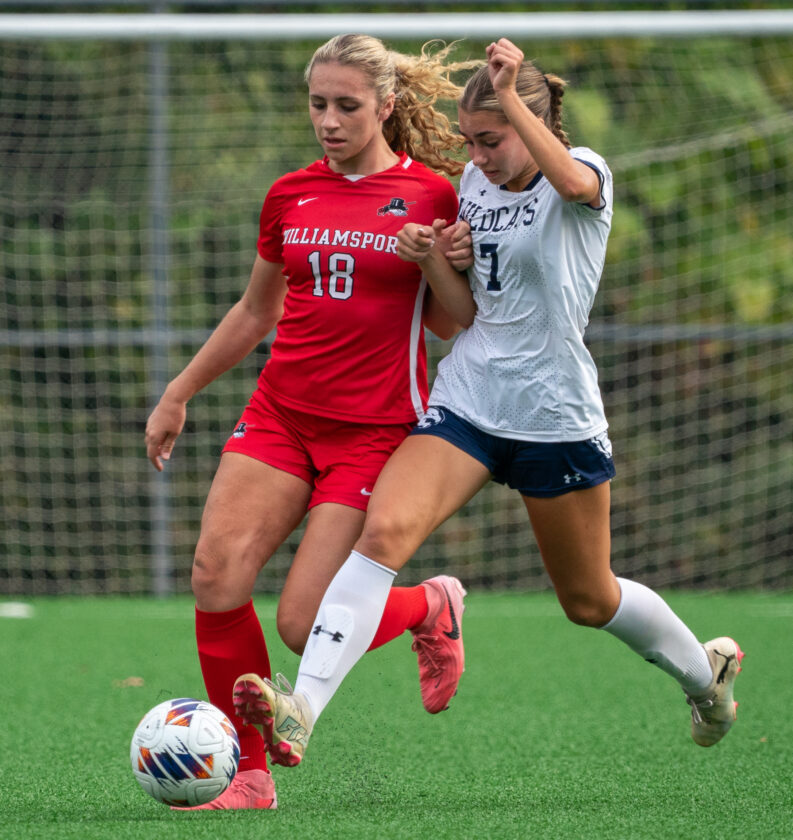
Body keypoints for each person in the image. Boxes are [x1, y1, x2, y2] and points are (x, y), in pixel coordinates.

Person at [233, 38, 744, 770]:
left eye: (492, 139)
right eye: (470, 142)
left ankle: (706, 676)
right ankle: (303, 709)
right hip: (467, 401)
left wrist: (509, 99)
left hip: (551, 414)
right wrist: (433, 261)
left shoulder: (586, 171)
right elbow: (464, 313)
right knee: (382, 535)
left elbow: (568, 185)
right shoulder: (470, 186)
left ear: (528, 120)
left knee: (588, 601)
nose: (478, 157)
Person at [144, 33, 480, 810]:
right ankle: (250, 773)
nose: (328, 120)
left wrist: (435, 258)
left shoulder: (433, 196)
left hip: (373, 431)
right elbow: (257, 310)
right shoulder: (289, 194)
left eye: (346, 106)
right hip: (280, 414)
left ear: (386, 106)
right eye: (317, 104)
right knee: (213, 574)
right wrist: (179, 391)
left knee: (304, 624)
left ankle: (430, 605)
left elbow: (451, 325)